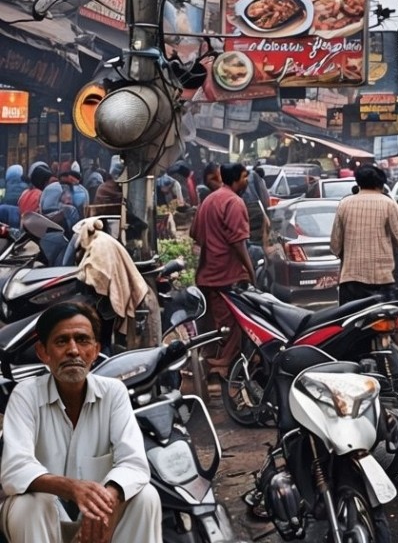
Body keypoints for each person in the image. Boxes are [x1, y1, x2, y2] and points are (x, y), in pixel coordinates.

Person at [0, 302, 162, 542]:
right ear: (43, 352)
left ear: (96, 350)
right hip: (46, 524)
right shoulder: (26, 395)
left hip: (99, 522)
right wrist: (73, 489)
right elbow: (15, 469)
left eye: (82, 340)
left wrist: (107, 498)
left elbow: (134, 462)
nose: (73, 350)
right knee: (28, 505)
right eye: (61, 341)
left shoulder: (113, 392)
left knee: (146, 496)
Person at [190, 163, 255, 381]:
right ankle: (222, 367)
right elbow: (238, 243)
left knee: (212, 325)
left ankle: (213, 364)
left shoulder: (209, 200)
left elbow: (196, 235)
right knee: (231, 326)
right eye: (245, 176)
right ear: (236, 179)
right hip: (225, 276)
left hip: (207, 274)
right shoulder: (234, 202)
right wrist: (250, 270)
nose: (247, 180)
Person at [330, 164, 398, 304]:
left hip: (350, 281)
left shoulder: (345, 204)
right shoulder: (388, 203)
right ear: (380, 185)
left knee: (349, 322)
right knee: (388, 320)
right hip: (382, 280)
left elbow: (335, 244)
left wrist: (345, 255)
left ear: (358, 183)